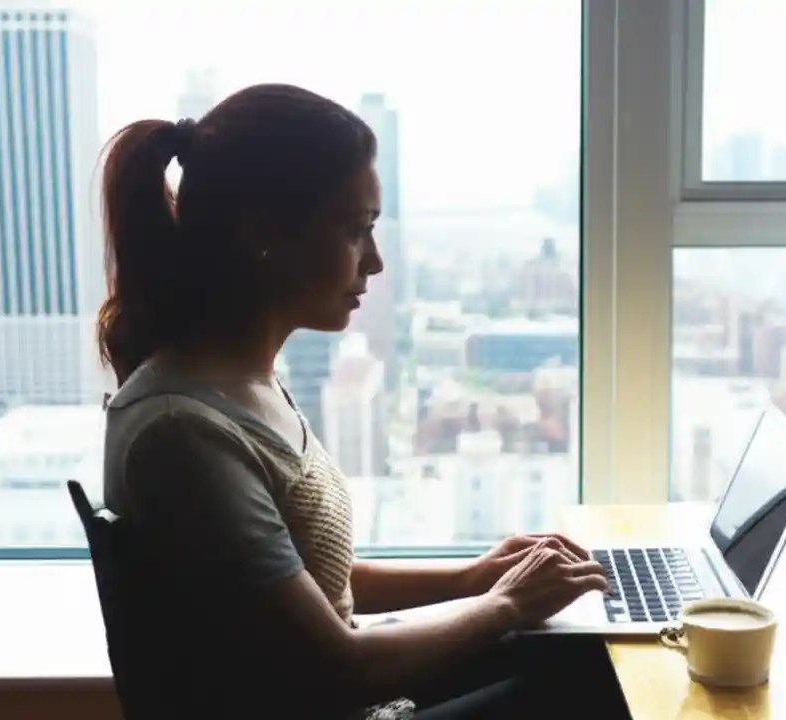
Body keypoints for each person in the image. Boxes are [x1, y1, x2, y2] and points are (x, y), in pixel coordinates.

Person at [97, 84, 628, 719]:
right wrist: (507, 604)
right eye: (356, 231)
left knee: (577, 655)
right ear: (263, 233)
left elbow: (308, 582)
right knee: (592, 687)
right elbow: (340, 668)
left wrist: (475, 579)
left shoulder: (241, 386)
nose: (373, 262)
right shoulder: (181, 433)